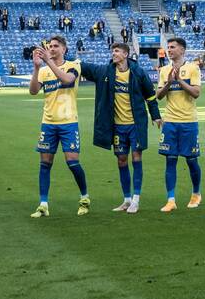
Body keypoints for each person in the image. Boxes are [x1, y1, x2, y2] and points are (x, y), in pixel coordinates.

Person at [80, 42, 160, 213]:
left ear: (125, 54)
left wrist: (156, 116)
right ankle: (127, 199)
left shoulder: (138, 72)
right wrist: (65, 61)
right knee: (121, 160)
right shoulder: (106, 72)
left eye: (117, 51)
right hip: (117, 126)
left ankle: (136, 200)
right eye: (113, 51)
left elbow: (150, 95)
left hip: (135, 125)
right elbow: (84, 67)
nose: (113, 53)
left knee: (136, 158)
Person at [27, 36, 90, 218]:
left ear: (64, 49)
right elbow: (33, 91)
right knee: (45, 164)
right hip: (48, 123)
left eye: (56, 46)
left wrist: (47, 61)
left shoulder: (73, 65)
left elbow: (67, 81)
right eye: (50, 46)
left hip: (68, 122)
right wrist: (37, 67)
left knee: (72, 162)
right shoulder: (44, 71)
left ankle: (84, 197)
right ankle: (43, 204)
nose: (52, 49)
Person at [156, 37, 202, 211]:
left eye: (173, 47)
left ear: (182, 50)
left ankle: (196, 194)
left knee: (191, 160)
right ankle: (171, 200)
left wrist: (179, 81)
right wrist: (169, 82)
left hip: (189, 121)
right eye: (168, 47)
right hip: (170, 122)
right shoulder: (164, 70)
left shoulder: (192, 68)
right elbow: (159, 95)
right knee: (170, 160)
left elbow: (196, 93)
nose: (169, 50)